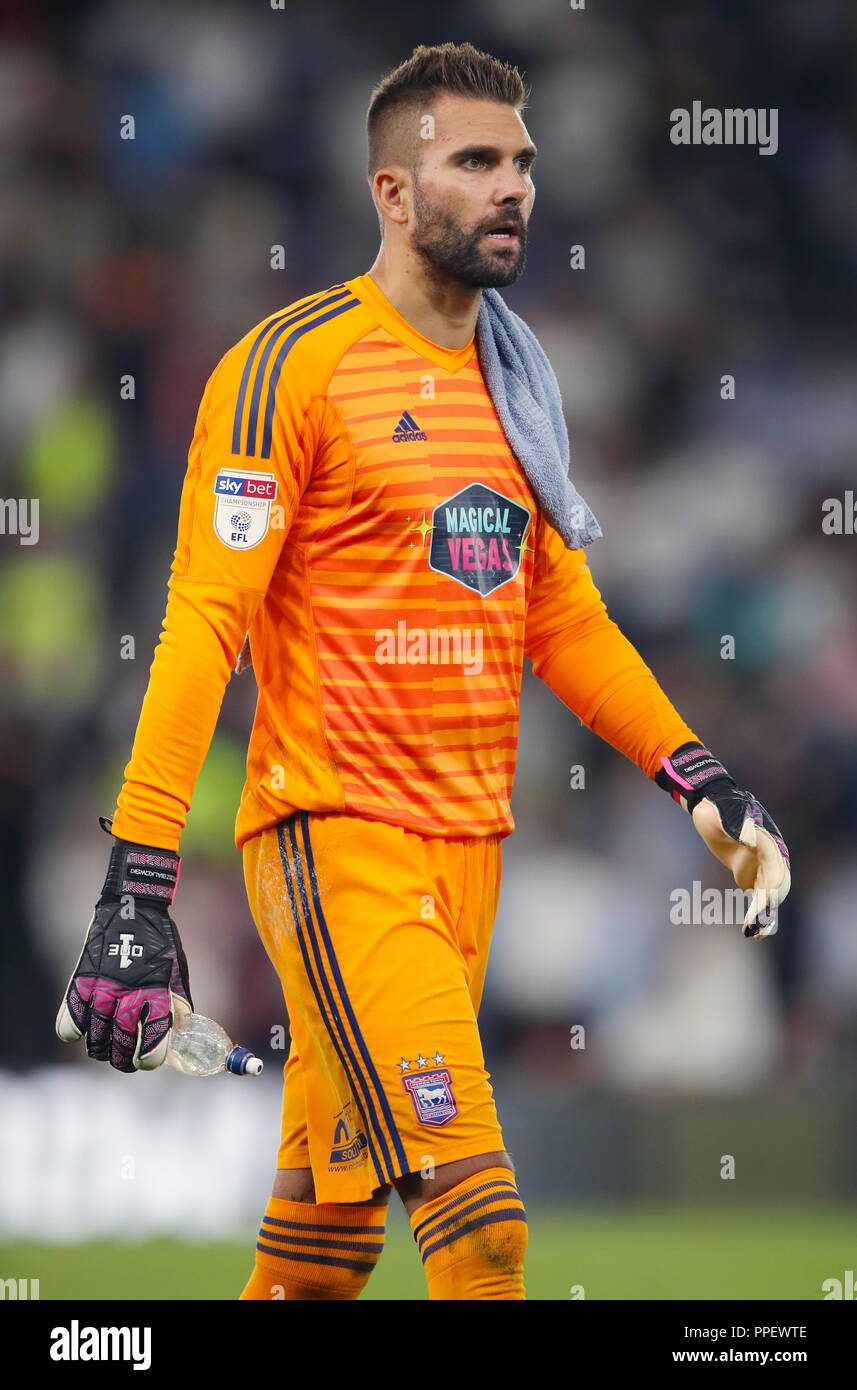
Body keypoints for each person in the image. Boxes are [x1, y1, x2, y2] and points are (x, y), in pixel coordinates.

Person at [55, 41, 790, 1301]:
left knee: (316, 1267)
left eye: (521, 163)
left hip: (470, 856)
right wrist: (140, 880)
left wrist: (697, 775)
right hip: (338, 848)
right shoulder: (286, 366)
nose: (513, 187)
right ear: (393, 194)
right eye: (474, 162)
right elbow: (201, 629)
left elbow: (560, 618)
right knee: (484, 1232)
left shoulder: (517, 384)